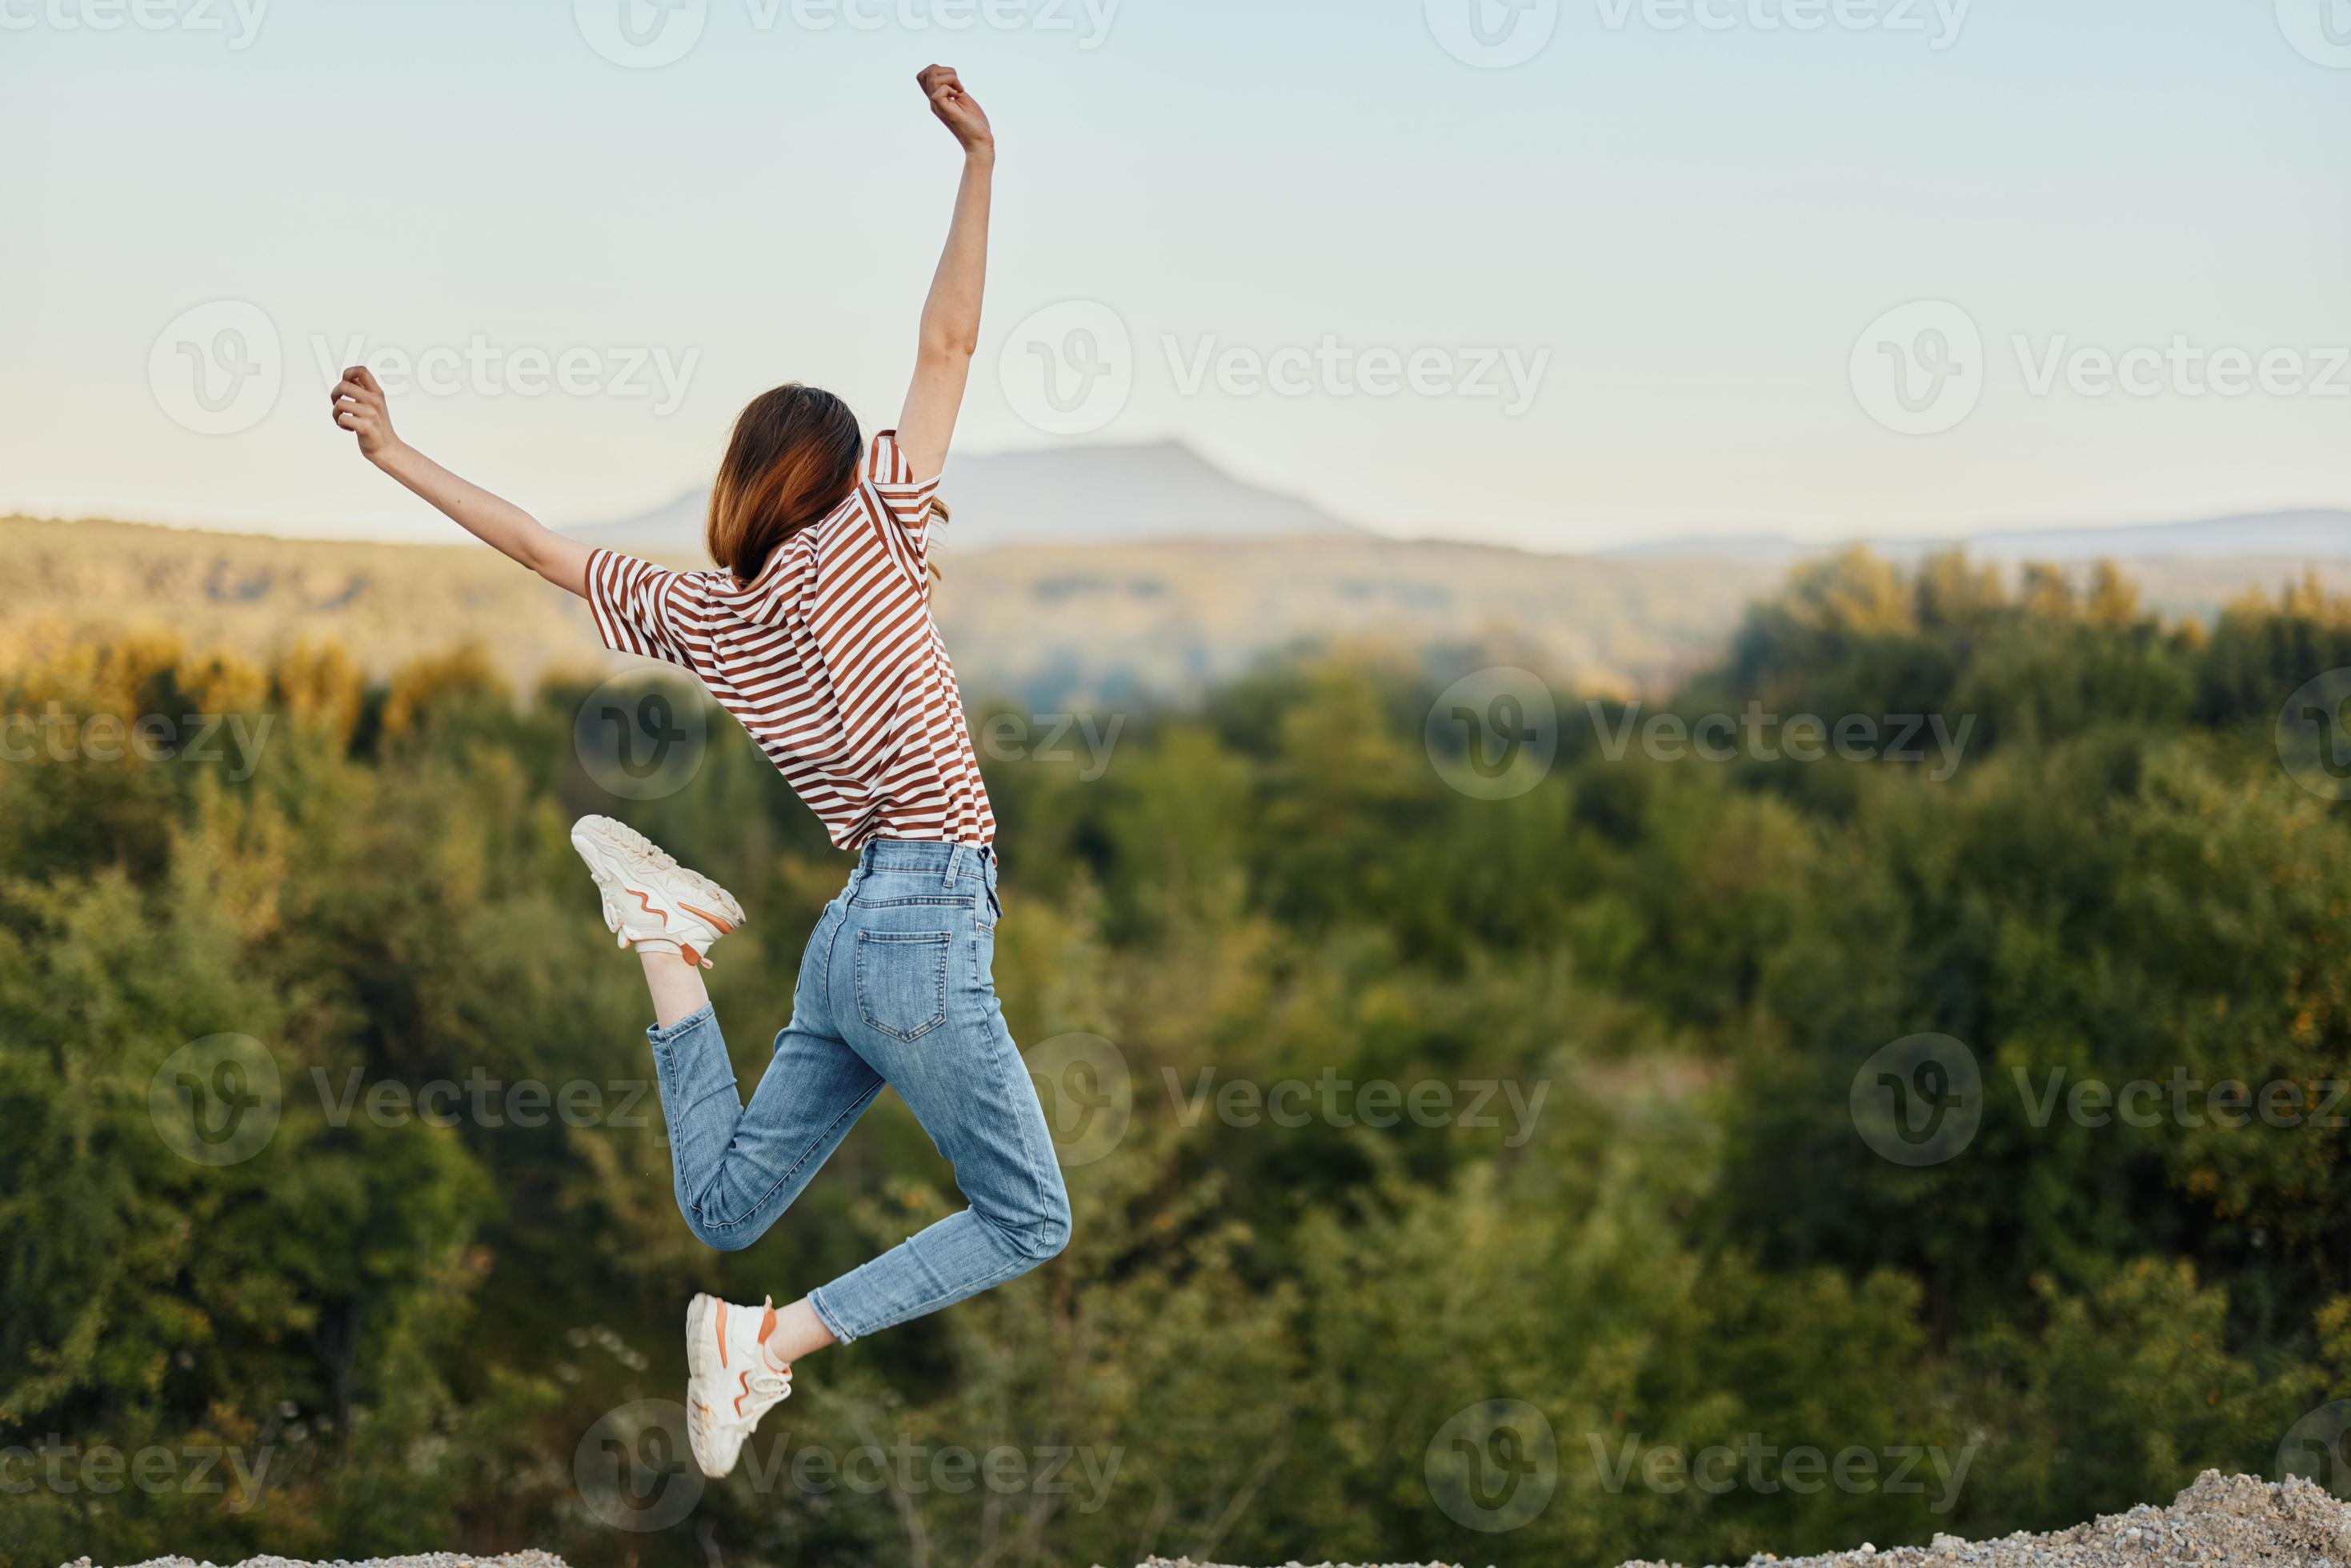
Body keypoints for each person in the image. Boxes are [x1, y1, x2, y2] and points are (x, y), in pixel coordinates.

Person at [330, 65, 1067, 1482]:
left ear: (748, 480)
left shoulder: (706, 613)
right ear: (839, 472)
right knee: (1029, 1216)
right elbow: (952, 340)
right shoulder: (877, 527)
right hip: (918, 924)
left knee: (725, 1209)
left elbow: (541, 550)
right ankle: (767, 1345)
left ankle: (669, 948)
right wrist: (980, 162)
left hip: (855, 939)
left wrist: (395, 453)